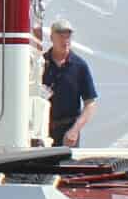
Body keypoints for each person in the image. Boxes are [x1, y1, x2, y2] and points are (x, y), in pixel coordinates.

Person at [42, 18, 98, 147]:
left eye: (68, 36)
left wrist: (75, 130)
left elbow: (90, 104)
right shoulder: (41, 63)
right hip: (42, 130)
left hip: (68, 132)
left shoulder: (79, 66)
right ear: (51, 37)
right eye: (61, 36)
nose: (65, 40)